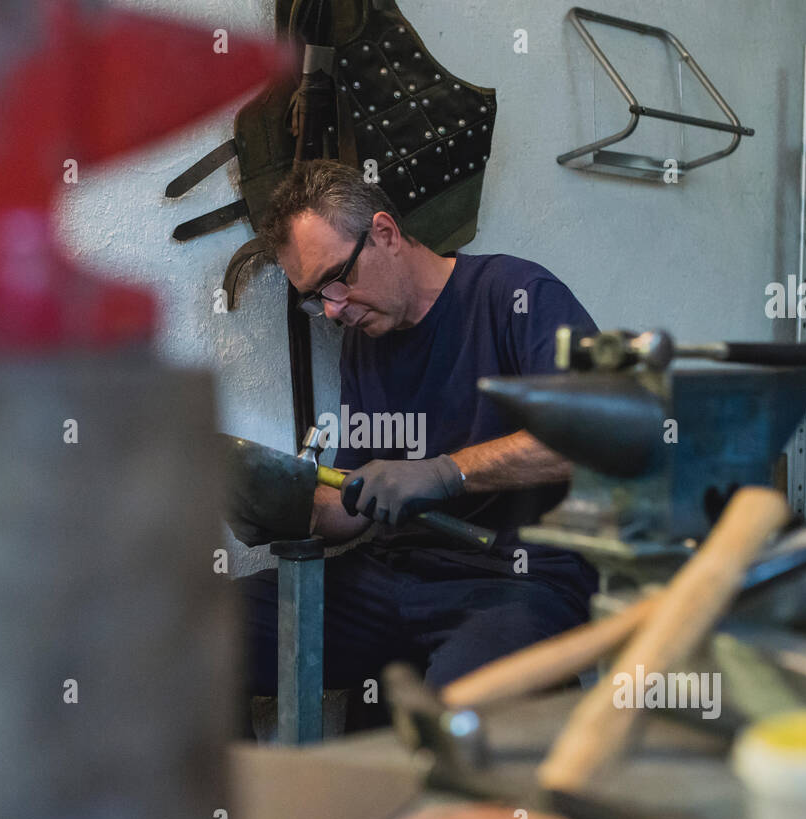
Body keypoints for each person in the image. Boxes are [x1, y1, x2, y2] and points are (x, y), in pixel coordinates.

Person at [230, 159, 599, 727]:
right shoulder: (366, 336)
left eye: (337, 279)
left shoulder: (516, 296)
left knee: (443, 727)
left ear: (385, 233)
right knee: (197, 635)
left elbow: (593, 432)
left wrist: (446, 472)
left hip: (513, 579)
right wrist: (277, 503)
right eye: (316, 297)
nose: (333, 309)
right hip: (392, 576)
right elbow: (351, 508)